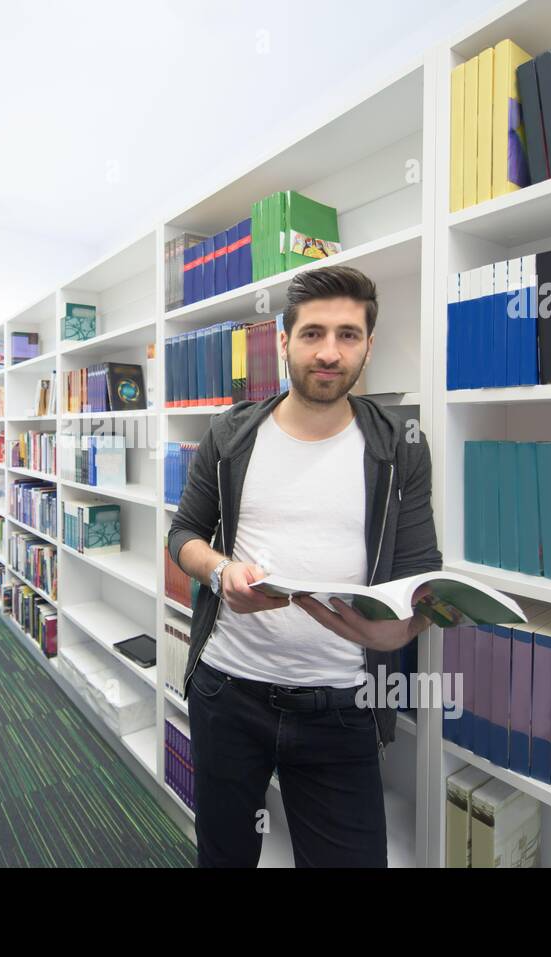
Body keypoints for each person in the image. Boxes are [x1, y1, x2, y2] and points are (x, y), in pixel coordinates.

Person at [166, 264, 442, 867]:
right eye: (313, 333)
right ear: (284, 341)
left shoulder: (400, 448)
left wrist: (403, 629)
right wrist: (218, 573)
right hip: (228, 692)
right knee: (225, 857)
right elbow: (183, 534)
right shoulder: (231, 435)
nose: (329, 352)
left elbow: (424, 573)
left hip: (343, 704)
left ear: (368, 347)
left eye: (348, 335)